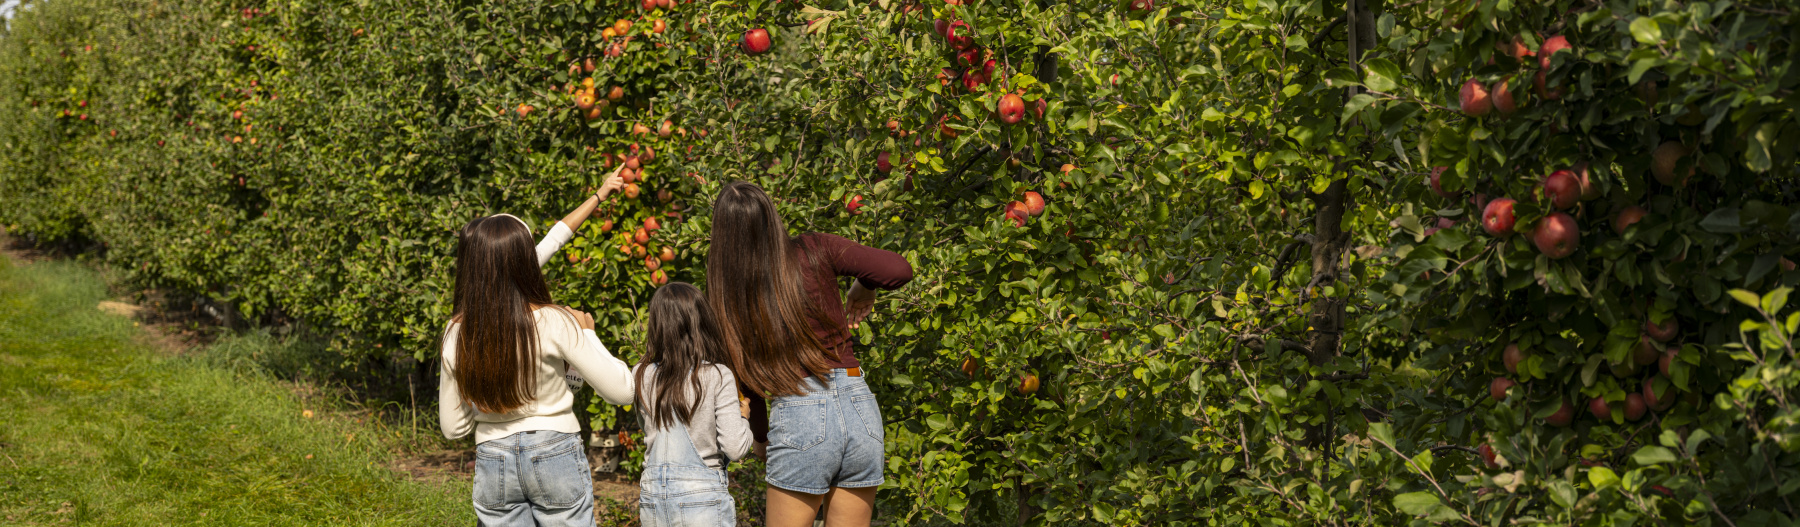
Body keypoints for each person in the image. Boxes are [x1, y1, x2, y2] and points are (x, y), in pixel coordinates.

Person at [705, 181, 914, 527]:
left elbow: (746, 378)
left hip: (801, 410)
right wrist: (865, 283)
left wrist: (760, 436)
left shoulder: (729, 291)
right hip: (859, 404)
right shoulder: (815, 248)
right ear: (772, 216)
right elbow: (898, 269)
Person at [438, 167, 633, 526]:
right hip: (554, 450)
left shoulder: (457, 332)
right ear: (523, 262)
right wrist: (587, 332)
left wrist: (486, 403)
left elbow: (452, 428)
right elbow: (622, 390)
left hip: (492, 456)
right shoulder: (554, 321)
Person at [633, 282, 754, 526]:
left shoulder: (641, 374)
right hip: (702, 496)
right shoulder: (717, 375)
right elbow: (735, 448)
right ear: (702, 322)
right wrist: (744, 418)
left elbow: (645, 426)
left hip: (653, 496)